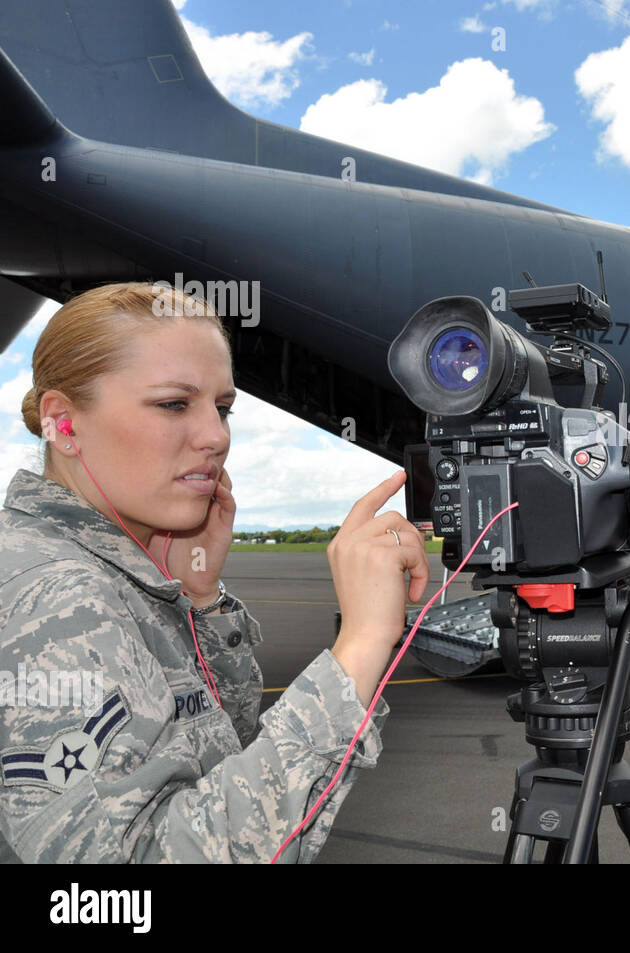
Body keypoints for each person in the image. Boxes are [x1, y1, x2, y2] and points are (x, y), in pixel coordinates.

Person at [0, 282, 429, 862]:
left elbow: (215, 765)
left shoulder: (110, 570)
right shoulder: (58, 596)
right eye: (174, 404)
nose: (217, 437)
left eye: (222, 408)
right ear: (64, 423)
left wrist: (198, 603)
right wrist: (361, 645)